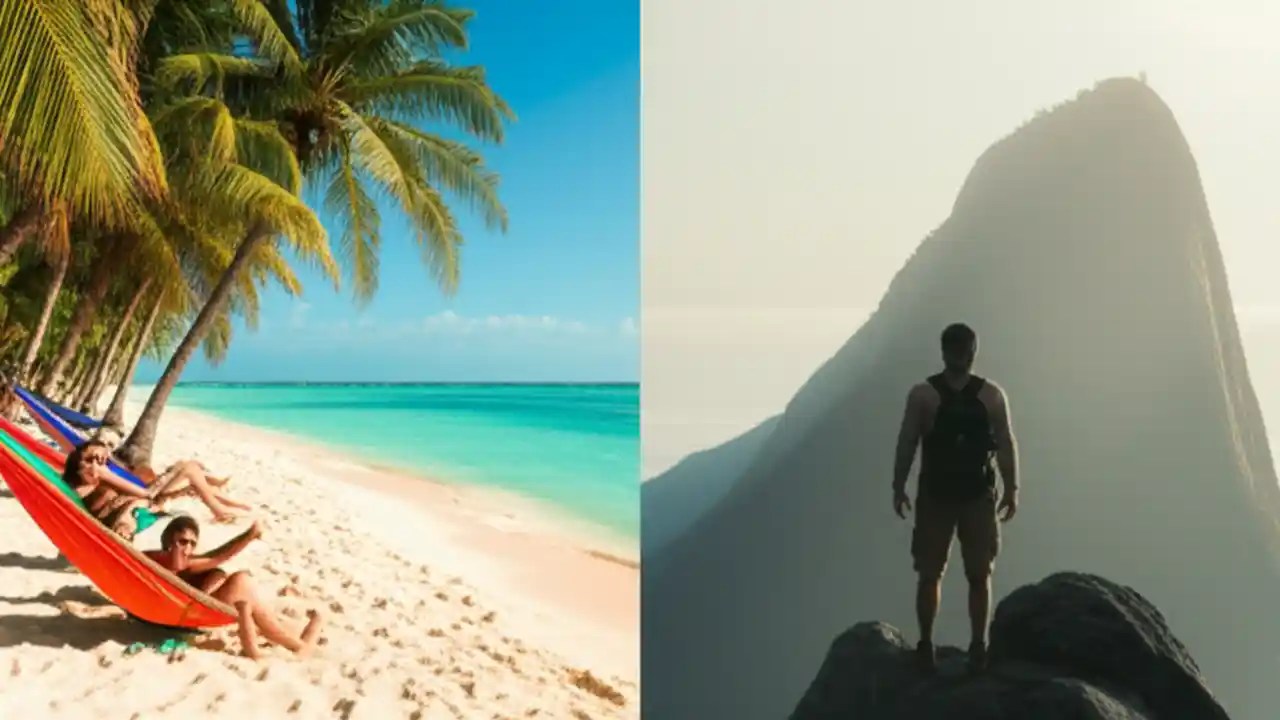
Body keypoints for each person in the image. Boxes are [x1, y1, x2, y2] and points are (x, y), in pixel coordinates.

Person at [892, 322, 1019, 675]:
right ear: (973, 352)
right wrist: (1012, 488)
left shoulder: (923, 395)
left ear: (944, 351)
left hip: (937, 495)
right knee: (978, 574)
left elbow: (907, 442)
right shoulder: (991, 396)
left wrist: (898, 485)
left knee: (930, 573)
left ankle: (927, 646)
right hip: (976, 495)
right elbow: (1005, 443)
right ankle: (977, 647)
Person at [145, 516, 325, 659]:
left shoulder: (188, 563)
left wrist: (249, 536)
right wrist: (249, 535)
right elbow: (218, 556)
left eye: (192, 543)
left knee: (257, 608)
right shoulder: (153, 559)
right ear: (168, 541)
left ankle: (307, 634)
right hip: (191, 614)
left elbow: (216, 557)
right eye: (182, 541)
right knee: (245, 588)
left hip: (203, 608)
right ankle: (303, 640)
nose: (187, 548)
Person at [63, 440, 250, 537]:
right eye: (91, 459)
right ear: (77, 464)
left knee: (188, 469)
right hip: (141, 503)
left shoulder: (94, 482)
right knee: (189, 468)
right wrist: (104, 474)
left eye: (102, 460)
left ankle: (224, 504)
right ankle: (220, 509)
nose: (96, 465)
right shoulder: (96, 479)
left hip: (141, 503)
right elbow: (144, 493)